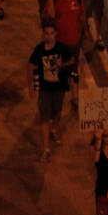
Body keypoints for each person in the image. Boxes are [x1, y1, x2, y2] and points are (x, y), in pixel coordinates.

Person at [28, 20, 74, 161]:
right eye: (46, 33)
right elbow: (30, 67)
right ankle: (46, 148)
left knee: (57, 112)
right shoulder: (39, 50)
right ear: (43, 34)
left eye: (51, 33)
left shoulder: (61, 48)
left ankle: (54, 129)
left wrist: (63, 64)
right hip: (45, 90)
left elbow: (72, 59)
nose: (49, 36)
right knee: (44, 118)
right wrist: (32, 88)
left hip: (59, 88)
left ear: (56, 34)